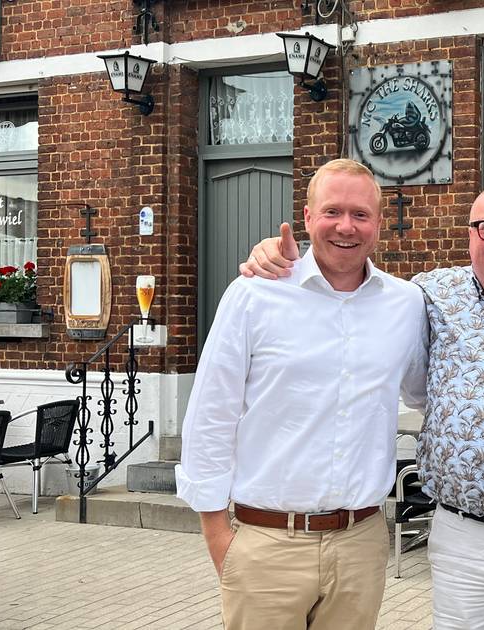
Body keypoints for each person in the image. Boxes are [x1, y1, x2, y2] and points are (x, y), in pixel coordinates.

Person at [240, 181, 484, 630]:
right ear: (470, 234)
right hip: (459, 531)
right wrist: (279, 257)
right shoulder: (429, 295)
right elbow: (350, 285)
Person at [175, 158, 428, 630]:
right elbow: (211, 414)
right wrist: (217, 535)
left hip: (361, 543)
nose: (346, 226)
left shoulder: (406, 304)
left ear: (378, 224)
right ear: (308, 218)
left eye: (360, 214)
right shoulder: (254, 293)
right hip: (267, 544)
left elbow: (427, 393)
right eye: (332, 212)